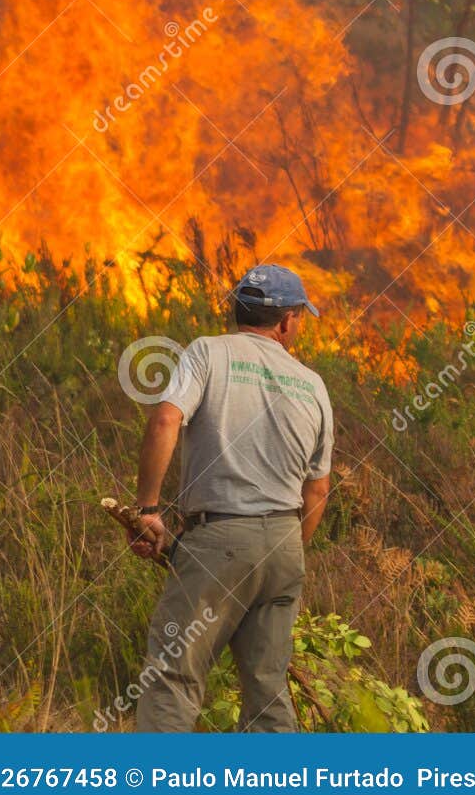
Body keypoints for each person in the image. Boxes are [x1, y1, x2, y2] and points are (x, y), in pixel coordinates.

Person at [127, 263, 333, 731]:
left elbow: (164, 422)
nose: (298, 326)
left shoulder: (207, 353)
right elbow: (317, 488)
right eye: (300, 317)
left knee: (173, 677)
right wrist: (287, 545)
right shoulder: (313, 384)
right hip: (285, 544)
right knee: (267, 689)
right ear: (285, 321)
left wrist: (147, 509)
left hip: (217, 540)